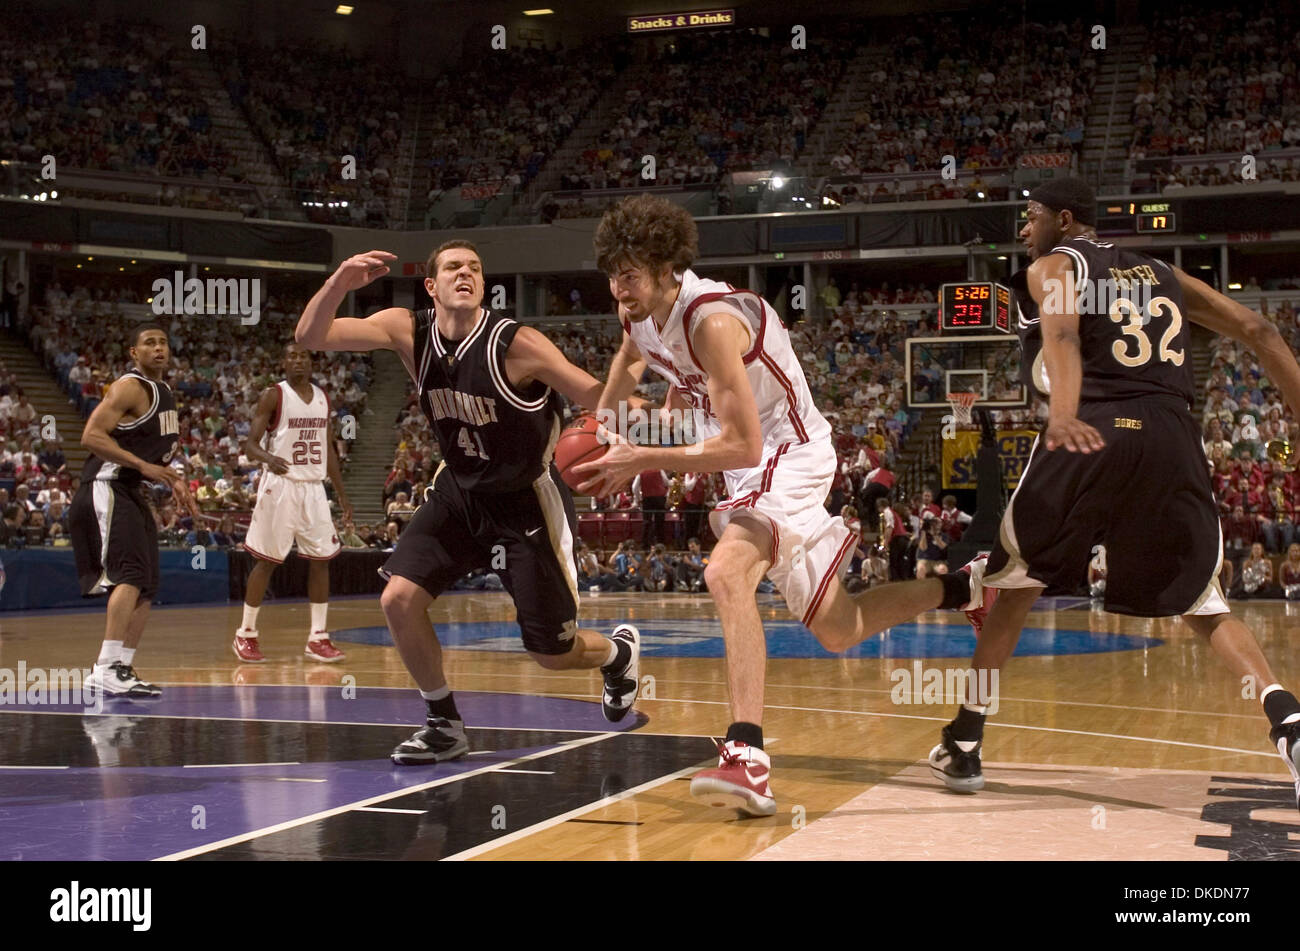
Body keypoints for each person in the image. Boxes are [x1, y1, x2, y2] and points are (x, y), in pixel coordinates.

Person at [578, 195, 991, 816]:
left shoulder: (710, 320)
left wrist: (642, 456)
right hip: (746, 465)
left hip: (787, 453)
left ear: (667, 269)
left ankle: (747, 756)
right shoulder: (637, 312)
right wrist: (604, 420)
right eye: (612, 274)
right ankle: (964, 591)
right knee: (838, 629)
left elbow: (743, 440)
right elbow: (632, 356)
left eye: (630, 274)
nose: (618, 287)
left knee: (723, 573)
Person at [928, 177, 1300, 807]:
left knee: (1013, 586)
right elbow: (1260, 330)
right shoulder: (1163, 274)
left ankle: (965, 743)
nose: (1023, 229)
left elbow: (1066, 336)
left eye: (1032, 216)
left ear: (1064, 220)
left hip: (1094, 427)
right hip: (1169, 435)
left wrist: (1066, 412)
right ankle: (1288, 719)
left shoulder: (1055, 265)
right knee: (1204, 603)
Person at [295, 240, 641, 765]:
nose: (467, 273)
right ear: (431, 286)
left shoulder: (517, 344)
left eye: (476, 268)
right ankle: (443, 723)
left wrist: (638, 399)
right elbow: (311, 335)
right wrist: (339, 283)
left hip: (525, 501)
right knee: (397, 599)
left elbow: (597, 396)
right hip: (459, 491)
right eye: (454, 267)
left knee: (551, 654)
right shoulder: (405, 329)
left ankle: (617, 654)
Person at [69, 324, 195, 697]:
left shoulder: (166, 393)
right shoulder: (129, 386)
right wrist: (144, 467)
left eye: (163, 343)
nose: (158, 348)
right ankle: (105, 667)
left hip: (130, 490)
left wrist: (175, 479)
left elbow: (157, 456)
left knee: (147, 583)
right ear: (133, 353)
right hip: (105, 487)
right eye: (149, 343)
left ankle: (120, 667)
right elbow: (90, 436)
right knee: (129, 576)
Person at [233, 342, 353, 663]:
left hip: (314, 488)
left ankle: (318, 637)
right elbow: (249, 446)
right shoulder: (274, 395)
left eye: (304, 356)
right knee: (268, 560)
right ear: (283, 362)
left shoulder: (323, 398)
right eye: (292, 356)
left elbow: (328, 449)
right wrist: (268, 458)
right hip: (282, 484)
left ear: (312, 363)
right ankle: (246, 633)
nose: (298, 361)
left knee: (321, 559)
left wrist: (340, 493)